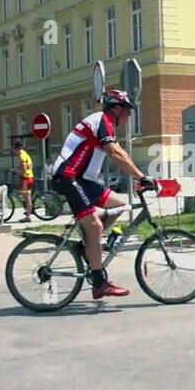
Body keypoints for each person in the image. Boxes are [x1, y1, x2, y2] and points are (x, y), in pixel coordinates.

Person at [51, 90, 156, 299]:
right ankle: (99, 283)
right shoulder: (102, 121)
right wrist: (140, 176)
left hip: (84, 180)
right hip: (69, 177)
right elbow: (116, 153)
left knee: (120, 204)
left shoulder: (104, 122)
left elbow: (116, 152)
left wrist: (137, 177)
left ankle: (86, 248)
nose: (128, 117)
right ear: (116, 109)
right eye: (127, 112)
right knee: (95, 226)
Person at [11, 141, 35, 222]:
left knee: (20, 195)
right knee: (27, 197)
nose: (13, 151)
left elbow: (24, 169)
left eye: (14, 149)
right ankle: (28, 210)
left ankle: (28, 215)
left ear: (16, 149)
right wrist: (17, 168)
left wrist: (16, 171)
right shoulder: (25, 153)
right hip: (30, 177)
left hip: (26, 178)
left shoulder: (22, 156)